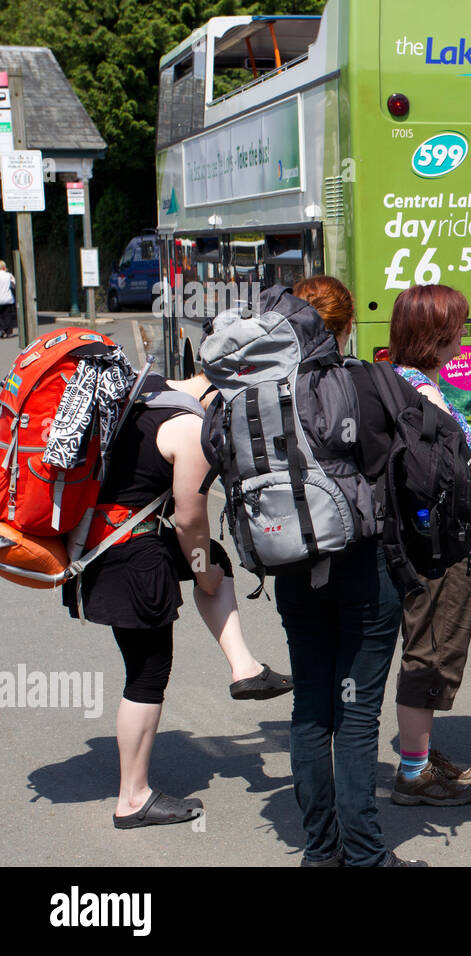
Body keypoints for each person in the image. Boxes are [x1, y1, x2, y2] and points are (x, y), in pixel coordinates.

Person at [61, 371, 292, 829]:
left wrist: (208, 567)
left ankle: (244, 667)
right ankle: (133, 798)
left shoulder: (143, 389)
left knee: (215, 563)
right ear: (218, 397)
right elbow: (190, 523)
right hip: (130, 560)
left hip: (94, 543)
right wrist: (203, 573)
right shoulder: (189, 428)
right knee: (146, 676)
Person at [273, 278, 419, 866]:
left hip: (292, 564)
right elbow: (407, 463)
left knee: (310, 706)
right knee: (356, 715)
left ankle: (319, 851)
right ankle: (364, 855)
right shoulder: (367, 381)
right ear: (346, 324)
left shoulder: (266, 385)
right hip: (363, 565)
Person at [384, 283, 471, 807]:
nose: (466, 336)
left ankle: (420, 756)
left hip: (431, 541)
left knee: (428, 648)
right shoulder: (423, 393)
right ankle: (413, 772)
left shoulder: (403, 383)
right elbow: (451, 480)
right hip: (444, 548)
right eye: (459, 326)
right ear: (437, 335)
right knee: (431, 653)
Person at [0, 260, 16, 338]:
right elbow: (14, 285)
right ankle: (8, 331)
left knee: (0, 316)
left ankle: (2, 328)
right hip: (8, 299)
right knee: (8, 315)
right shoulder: (9, 275)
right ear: (4, 267)